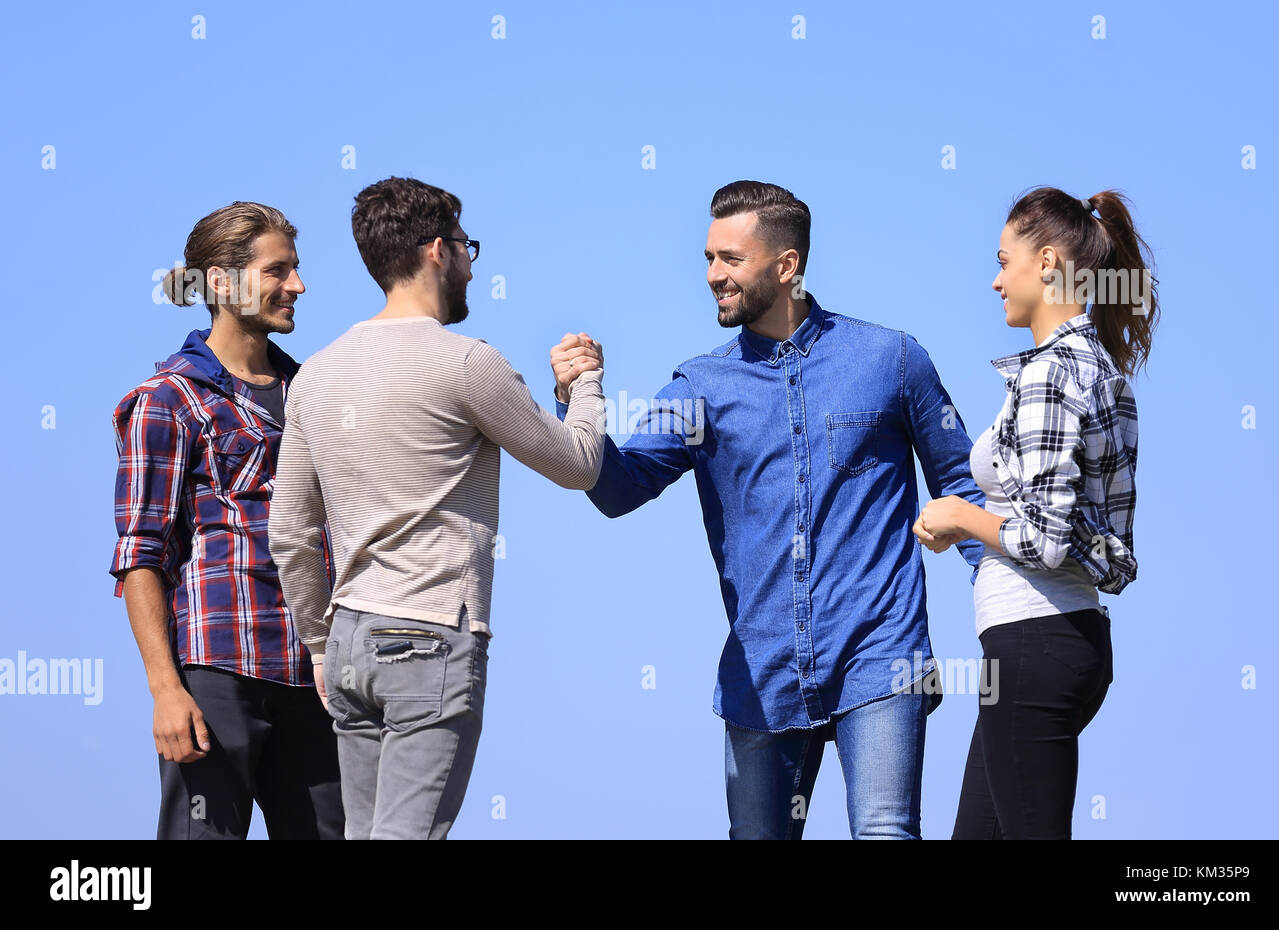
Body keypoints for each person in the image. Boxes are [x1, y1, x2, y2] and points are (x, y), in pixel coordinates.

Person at [553, 180, 986, 839]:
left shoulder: (893, 359)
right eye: (707, 258)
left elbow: (961, 483)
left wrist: (1010, 615)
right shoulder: (698, 387)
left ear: (786, 267)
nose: (711, 276)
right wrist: (577, 399)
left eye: (730, 259)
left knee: (886, 831)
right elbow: (618, 488)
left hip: (880, 652)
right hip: (761, 676)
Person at [268, 176, 606, 840]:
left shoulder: (316, 374)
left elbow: (289, 533)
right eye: (466, 246)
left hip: (348, 644)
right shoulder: (468, 365)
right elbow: (579, 465)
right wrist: (584, 385)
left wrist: (317, 645)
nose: (472, 265)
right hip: (428, 636)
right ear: (435, 250)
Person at [914, 187, 1156, 840]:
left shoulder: (1050, 376)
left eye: (1003, 260)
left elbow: (1048, 540)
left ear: (1047, 262)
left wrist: (960, 518)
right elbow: (1116, 555)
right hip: (1063, 644)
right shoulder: (1105, 373)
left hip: (1032, 644)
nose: (995, 280)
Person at [110, 202, 344, 839]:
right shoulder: (167, 401)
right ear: (221, 282)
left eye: (295, 270)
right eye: (279, 270)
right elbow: (140, 554)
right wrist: (166, 690)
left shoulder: (315, 396)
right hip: (215, 675)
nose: (298, 286)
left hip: (317, 676)